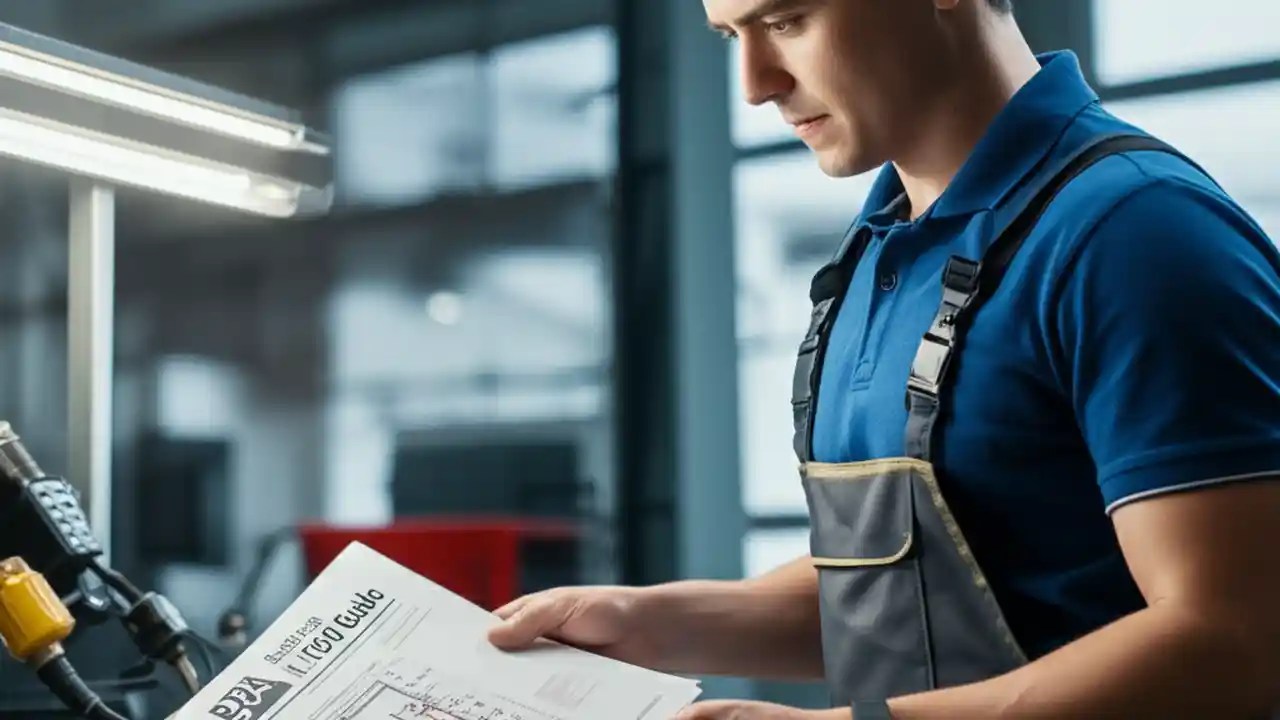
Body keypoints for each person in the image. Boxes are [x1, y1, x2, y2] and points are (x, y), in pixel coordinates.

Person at [487, 1, 1280, 717]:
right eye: (732, 35)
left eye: (788, 21)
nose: (756, 85)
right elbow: (924, 586)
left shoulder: (1134, 234)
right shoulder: (874, 255)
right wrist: (651, 625)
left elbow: (1237, 641)